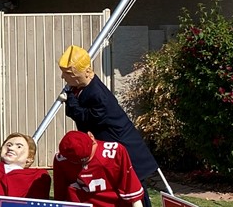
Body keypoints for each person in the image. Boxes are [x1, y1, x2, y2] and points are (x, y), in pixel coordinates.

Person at [58, 44, 163, 192]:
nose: (63, 77)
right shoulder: (84, 87)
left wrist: (70, 100)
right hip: (111, 150)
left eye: (68, 73)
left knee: (135, 190)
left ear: (87, 72)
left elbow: (85, 118)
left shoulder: (99, 95)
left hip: (124, 150)